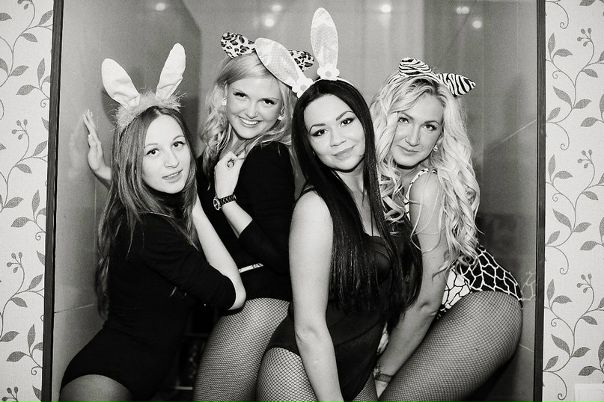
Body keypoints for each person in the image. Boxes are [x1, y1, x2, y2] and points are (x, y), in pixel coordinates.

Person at [60, 44, 245, 402]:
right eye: (152, 151)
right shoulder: (151, 230)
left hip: (123, 381)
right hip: (102, 385)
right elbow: (233, 295)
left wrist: (104, 172)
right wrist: (196, 207)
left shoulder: (145, 217)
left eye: (177, 144)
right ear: (135, 162)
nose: (173, 161)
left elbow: (136, 191)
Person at [253, 16, 420, 400]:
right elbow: (309, 327)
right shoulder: (316, 208)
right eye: (319, 131)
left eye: (345, 121)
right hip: (298, 368)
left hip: (356, 368)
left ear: (364, 123)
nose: (337, 139)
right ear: (309, 146)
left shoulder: (381, 199)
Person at [370, 58, 523, 401]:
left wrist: (384, 373)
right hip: (436, 314)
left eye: (429, 126)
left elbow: (427, 301)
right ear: (385, 119)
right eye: (404, 119)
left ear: (440, 137)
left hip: (481, 304)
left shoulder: (426, 186)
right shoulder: (385, 184)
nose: (413, 138)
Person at [192, 32, 313, 402]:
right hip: (242, 297)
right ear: (223, 94)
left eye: (267, 101)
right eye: (242, 95)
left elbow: (283, 256)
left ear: (282, 111)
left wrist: (228, 200)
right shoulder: (216, 153)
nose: (251, 110)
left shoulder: (267, 156)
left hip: (263, 300)